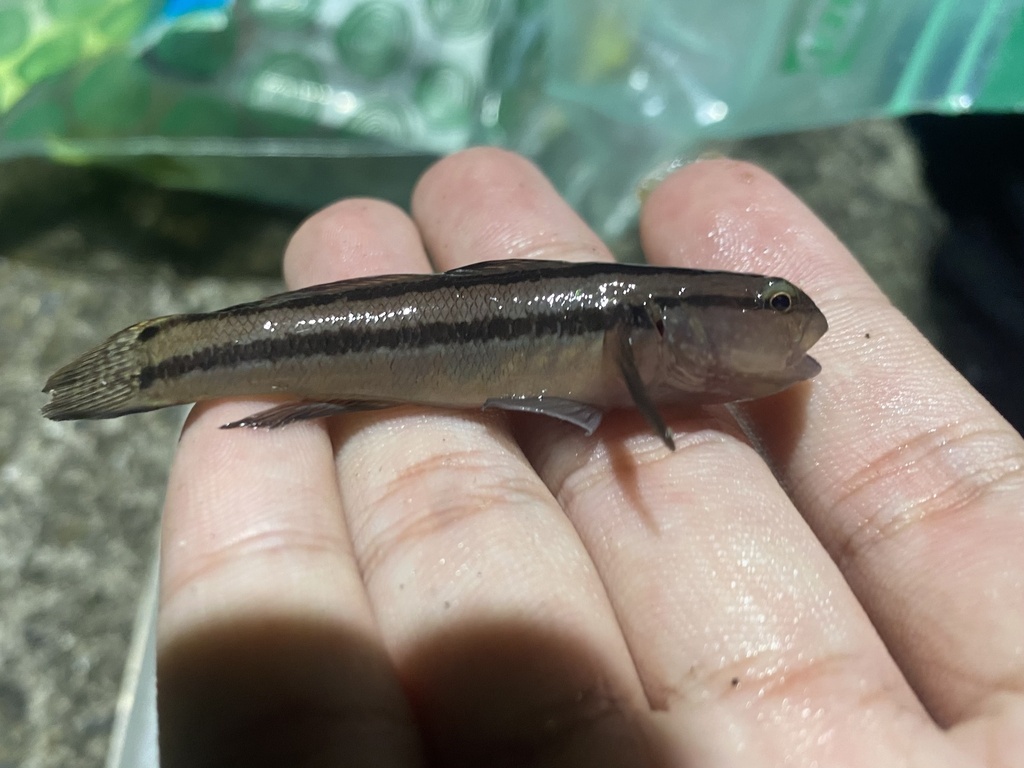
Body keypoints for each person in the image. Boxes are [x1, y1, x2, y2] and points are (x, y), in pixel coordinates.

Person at [155, 148, 1024, 767]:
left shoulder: (639, 322)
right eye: (771, 304)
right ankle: (166, 358)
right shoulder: (635, 319)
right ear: (662, 322)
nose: (794, 321)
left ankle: (174, 354)